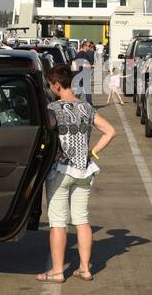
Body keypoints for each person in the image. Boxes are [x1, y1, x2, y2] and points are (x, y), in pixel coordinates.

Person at [37, 63, 116, 283]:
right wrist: (93, 152)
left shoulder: (53, 110)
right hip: (84, 169)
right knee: (82, 220)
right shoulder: (87, 108)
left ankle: (57, 270)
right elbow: (110, 132)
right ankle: (84, 268)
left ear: (56, 84)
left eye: (50, 85)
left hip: (60, 170)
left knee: (58, 222)